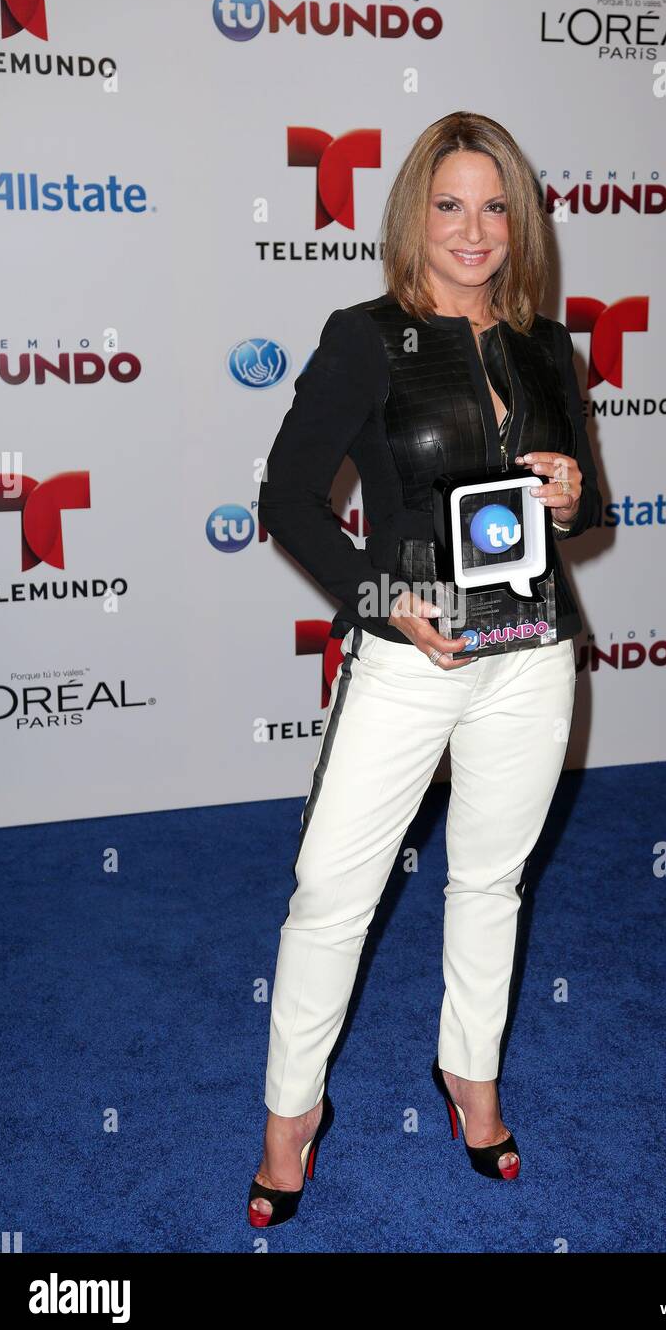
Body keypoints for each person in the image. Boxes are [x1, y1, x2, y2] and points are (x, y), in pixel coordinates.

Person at [248, 110, 602, 1226]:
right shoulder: (365, 334)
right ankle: (289, 1114)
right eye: (449, 203)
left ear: (519, 220)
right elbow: (284, 499)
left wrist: (569, 493)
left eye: (494, 205)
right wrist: (376, 596)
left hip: (530, 655)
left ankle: (468, 1076)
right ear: (414, 212)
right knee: (330, 898)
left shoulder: (547, 344)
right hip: (406, 660)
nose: (473, 227)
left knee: (489, 881)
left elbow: (578, 506)